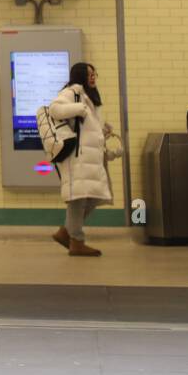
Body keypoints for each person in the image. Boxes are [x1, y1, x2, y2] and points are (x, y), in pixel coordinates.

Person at [48, 61, 121, 257]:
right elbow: (54, 109)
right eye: (89, 74)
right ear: (80, 75)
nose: (93, 77)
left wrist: (101, 127)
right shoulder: (74, 91)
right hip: (77, 157)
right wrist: (78, 109)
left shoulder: (89, 96)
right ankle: (76, 240)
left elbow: (87, 125)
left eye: (94, 73)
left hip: (90, 158)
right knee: (78, 199)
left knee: (94, 196)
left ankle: (66, 232)